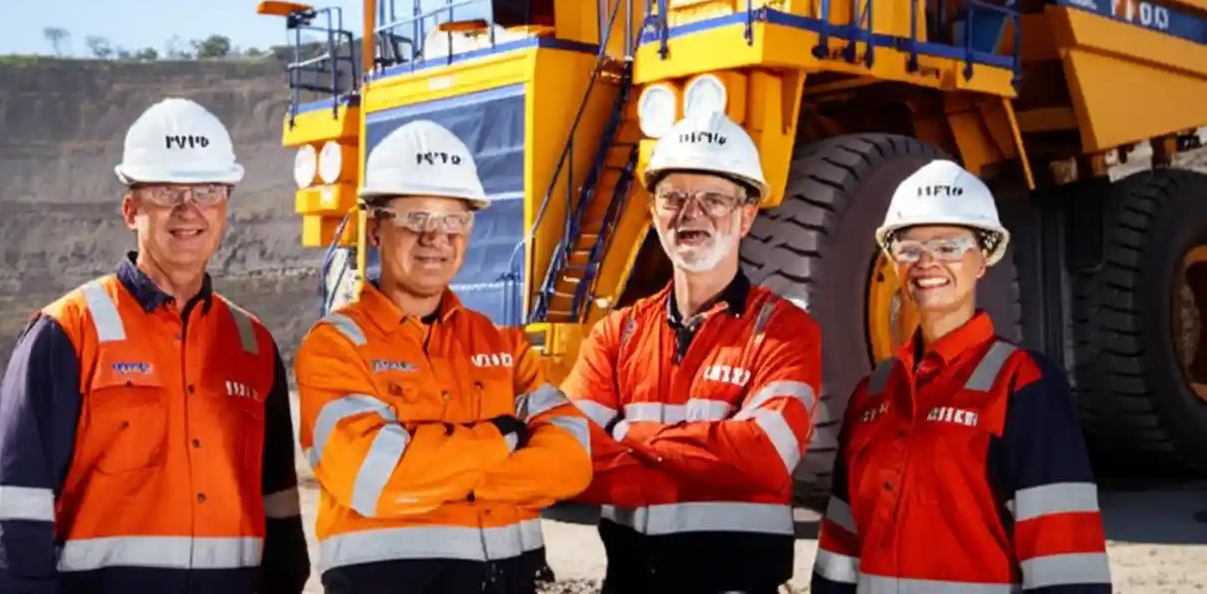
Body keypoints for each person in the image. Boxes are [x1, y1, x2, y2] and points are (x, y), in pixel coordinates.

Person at [0, 97, 311, 594]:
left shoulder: (253, 345)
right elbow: (19, 510)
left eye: (207, 190)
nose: (188, 209)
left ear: (225, 207)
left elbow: (280, 510)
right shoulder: (66, 334)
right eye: (165, 191)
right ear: (130, 210)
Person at [293, 119, 593, 594]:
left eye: (454, 220)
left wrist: (444, 474)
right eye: (416, 219)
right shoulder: (337, 345)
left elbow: (572, 461)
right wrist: (503, 438)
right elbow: (376, 479)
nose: (436, 237)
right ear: (375, 230)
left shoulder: (500, 344)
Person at [811, 158, 1113, 593]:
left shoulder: (1024, 387)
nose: (927, 262)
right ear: (894, 263)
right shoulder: (871, 395)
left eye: (950, 246)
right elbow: (839, 557)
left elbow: (1068, 565)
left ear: (983, 259)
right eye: (910, 248)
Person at [560, 109, 823, 594]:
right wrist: (703, 466)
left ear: (747, 217)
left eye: (714, 199)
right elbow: (566, 454)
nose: (690, 213)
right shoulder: (617, 333)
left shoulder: (784, 332)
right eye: (673, 197)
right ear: (653, 211)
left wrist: (627, 433)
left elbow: (765, 455)